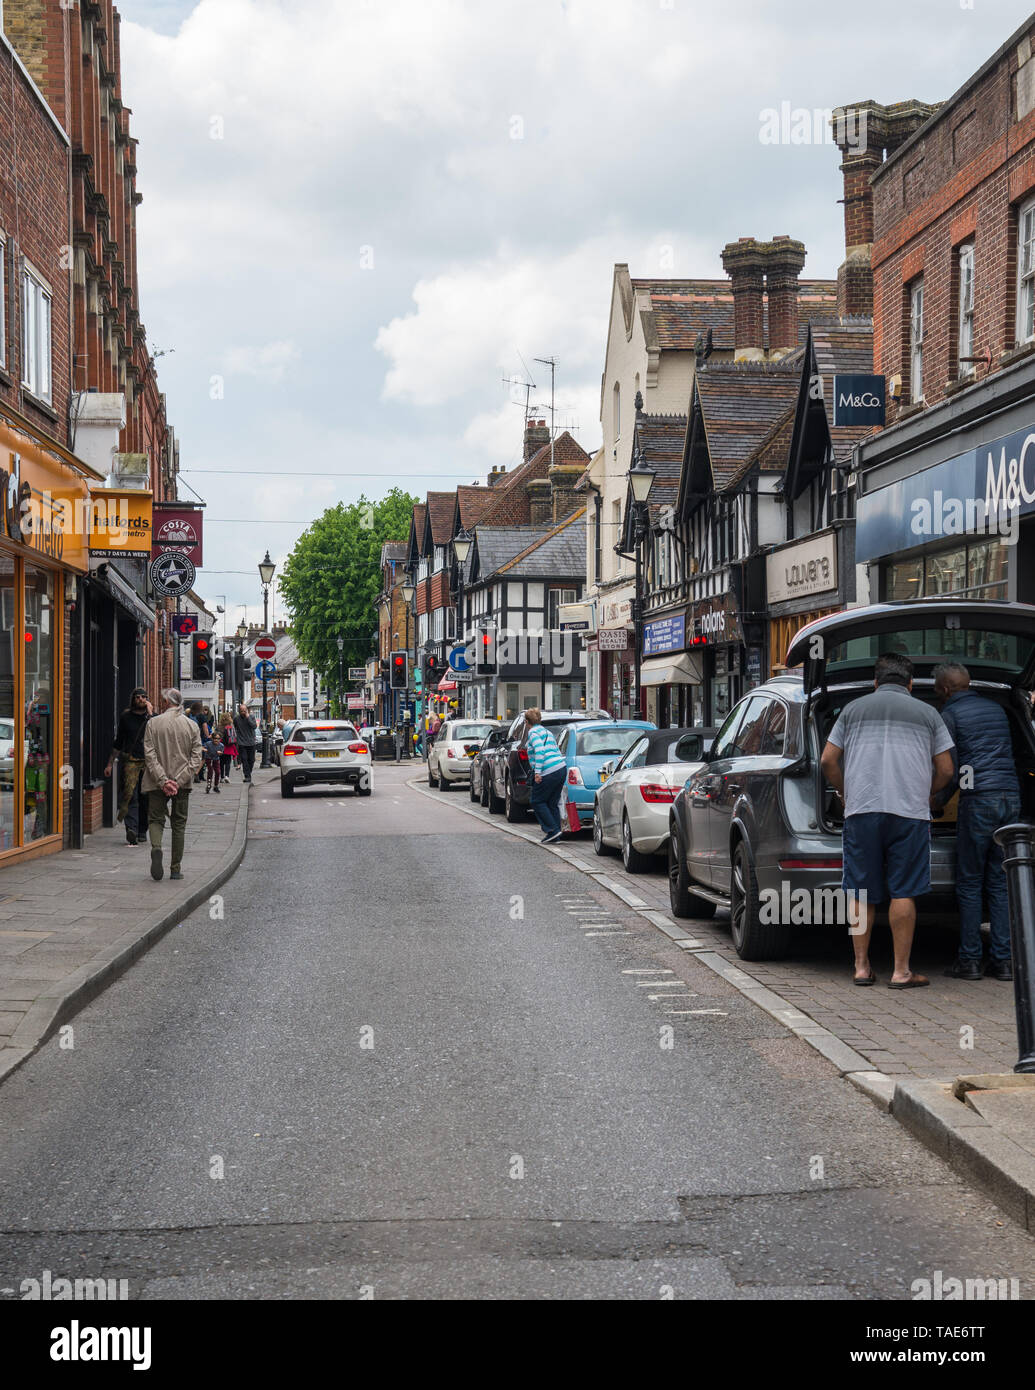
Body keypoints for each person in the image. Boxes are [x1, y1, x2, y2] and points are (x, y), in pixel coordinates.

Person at [820, 652, 954, 989]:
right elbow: (948, 770)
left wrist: (844, 790)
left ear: (876, 682)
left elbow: (828, 760)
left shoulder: (852, 711)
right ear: (910, 683)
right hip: (909, 812)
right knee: (904, 890)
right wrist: (928, 792)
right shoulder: (928, 714)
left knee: (861, 890)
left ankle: (862, 968)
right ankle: (901, 971)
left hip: (862, 809)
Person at [933, 662, 1021, 981]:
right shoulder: (997, 709)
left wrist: (937, 802)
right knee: (1000, 881)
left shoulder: (949, 715)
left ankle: (969, 960)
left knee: (970, 883)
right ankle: (1004, 961)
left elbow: (953, 770)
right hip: (1009, 798)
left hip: (979, 801)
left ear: (944, 689)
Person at [141, 688, 203, 882]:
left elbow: (149, 755)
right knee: (179, 825)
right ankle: (175, 869)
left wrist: (162, 780)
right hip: (182, 785)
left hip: (155, 782)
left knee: (156, 820)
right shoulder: (192, 726)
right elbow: (196, 758)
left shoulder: (153, 723)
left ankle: (157, 847)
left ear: (167, 702)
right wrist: (177, 781)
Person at [103, 686, 153, 845]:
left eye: (144, 697)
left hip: (148, 762)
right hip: (131, 761)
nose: (141, 699)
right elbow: (119, 741)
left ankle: (142, 831)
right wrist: (110, 764)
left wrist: (151, 714)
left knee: (145, 797)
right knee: (130, 796)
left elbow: (158, 736)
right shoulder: (126, 717)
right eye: (138, 697)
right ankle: (131, 829)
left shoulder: (152, 718)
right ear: (133, 699)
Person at [524, 707, 566, 844]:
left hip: (548, 771)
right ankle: (556, 835)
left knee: (537, 801)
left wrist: (537, 772)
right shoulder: (547, 731)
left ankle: (552, 830)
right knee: (552, 802)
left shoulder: (533, 732)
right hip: (560, 768)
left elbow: (540, 751)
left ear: (527, 721)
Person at [233, 701, 258, 782]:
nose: (243, 712)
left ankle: (249, 773)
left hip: (251, 742)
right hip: (241, 742)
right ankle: (247, 776)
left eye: (244, 711)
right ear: (239, 711)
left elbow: (254, 726)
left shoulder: (252, 717)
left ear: (247, 710)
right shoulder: (236, 719)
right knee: (244, 759)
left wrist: (248, 717)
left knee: (251, 760)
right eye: (241, 711)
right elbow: (235, 728)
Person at [218, 712, 236, 784]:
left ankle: (222, 777)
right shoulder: (231, 726)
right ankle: (227, 776)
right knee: (228, 762)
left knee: (221, 763)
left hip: (221, 746)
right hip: (229, 746)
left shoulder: (219, 726)